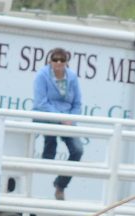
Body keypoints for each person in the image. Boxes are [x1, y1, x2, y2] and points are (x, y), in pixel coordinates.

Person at [32, 47, 83, 200]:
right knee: (50, 143)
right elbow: (41, 102)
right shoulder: (42, 75)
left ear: (67, 62)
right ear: (50, 61)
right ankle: (45, 165)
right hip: (47, 116)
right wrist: (60, 117)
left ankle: (60, 185)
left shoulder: (72, 77)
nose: (58, 62)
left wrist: (71, 119)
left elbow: (77, 103)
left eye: (62, 59)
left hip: (66, 119)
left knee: (77, 150)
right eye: (55, 59)